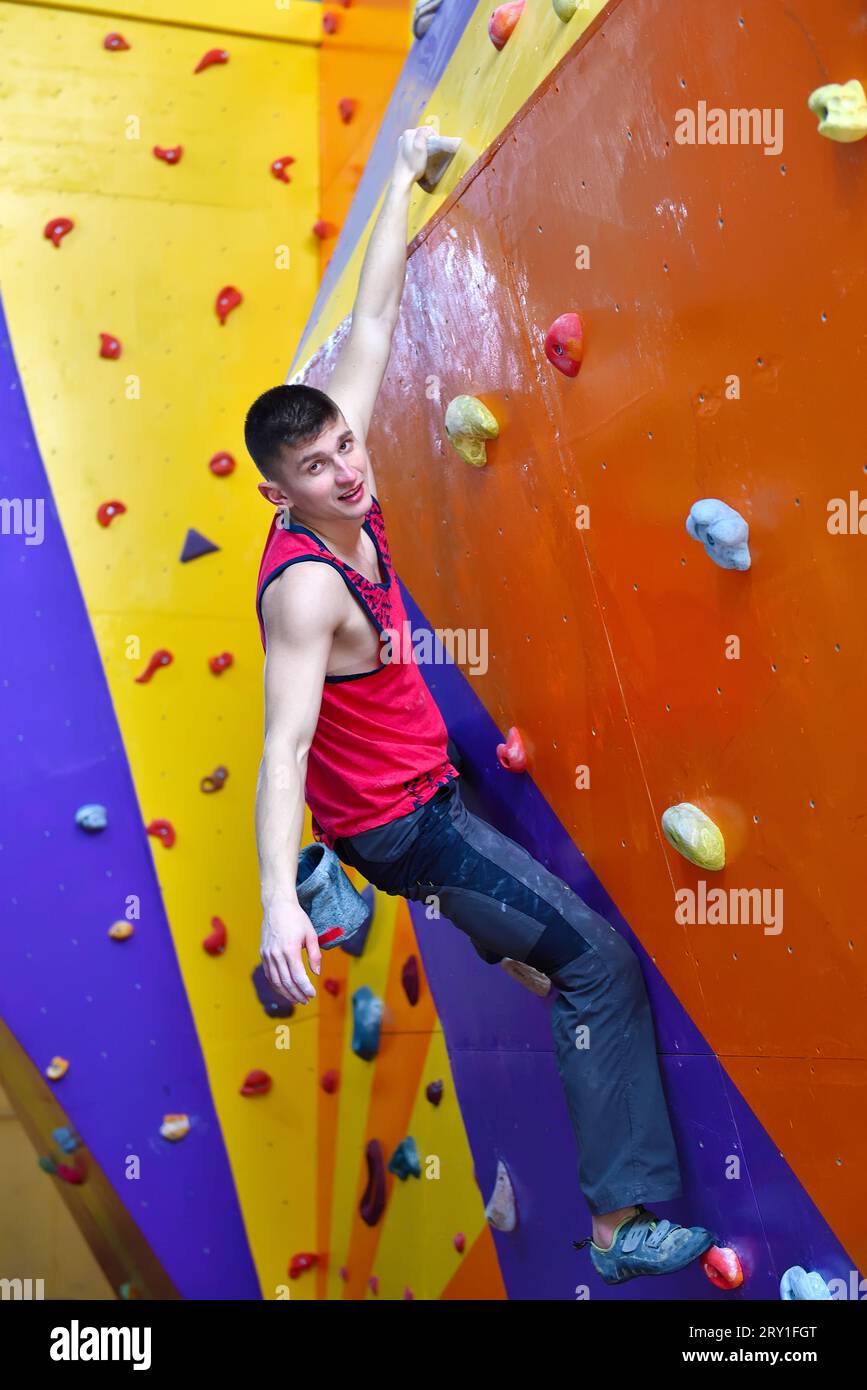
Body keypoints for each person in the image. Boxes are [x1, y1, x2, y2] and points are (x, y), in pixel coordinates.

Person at [246, 127, 717, 1286]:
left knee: (548, 956)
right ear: (279, 493)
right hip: (406, 825)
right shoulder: (306, 588)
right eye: (317, 470)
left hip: (408, 794)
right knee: (600, 964)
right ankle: (620, 1230)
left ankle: (516, 952)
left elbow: (369, 326)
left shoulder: (345, 476)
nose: (349, 471)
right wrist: (271, 899)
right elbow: (282, 744)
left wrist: (403, 175)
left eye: (345, 446)